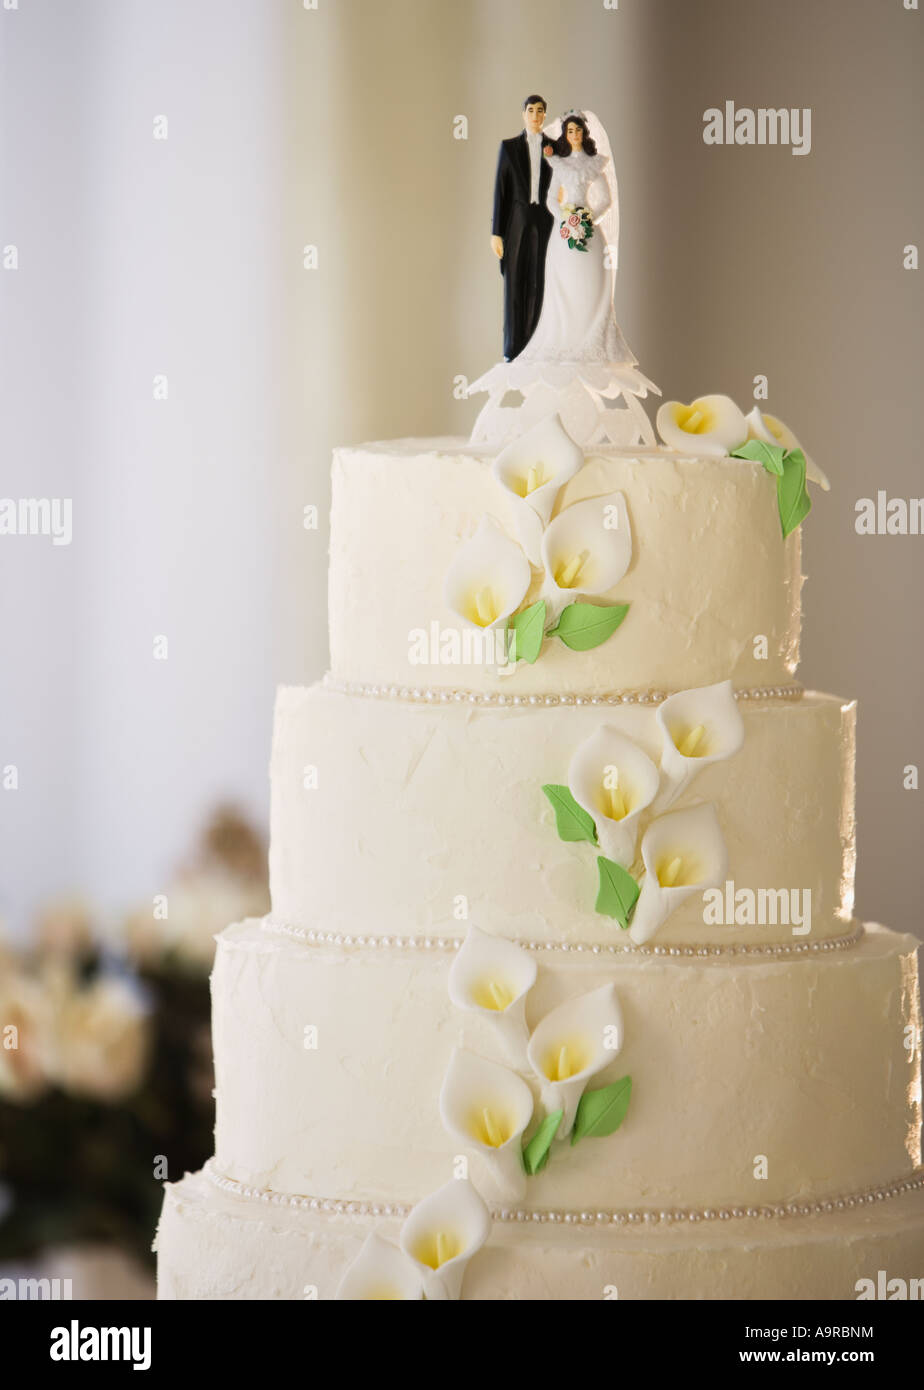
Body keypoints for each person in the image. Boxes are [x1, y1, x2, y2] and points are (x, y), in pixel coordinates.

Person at [515, 110, 635, 368]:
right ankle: (566, 339)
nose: (574, 135)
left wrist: (587, 218)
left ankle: (592, 338)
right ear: (565, 135)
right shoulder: (561, 164)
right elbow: (550, 199)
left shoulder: (594, 164)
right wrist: (565, 219)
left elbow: (605, 199)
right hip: (564, 234)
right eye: (570, 131)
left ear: (583, 133)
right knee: (565, 282)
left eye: (578, 130)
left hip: (589, 234)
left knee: (591, 281)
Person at [490, 94, 554, 361]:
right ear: (524, 114)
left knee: (539, 280)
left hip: (545, 218)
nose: (535, 116)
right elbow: (500, 191)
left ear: (545, 115)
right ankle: (513, 347)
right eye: (531, 111)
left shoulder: (554, 147)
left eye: (540, 111)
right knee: (515, 280)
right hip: (516, 219)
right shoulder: (509, 147)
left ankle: (535, 343)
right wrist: (496, 232)